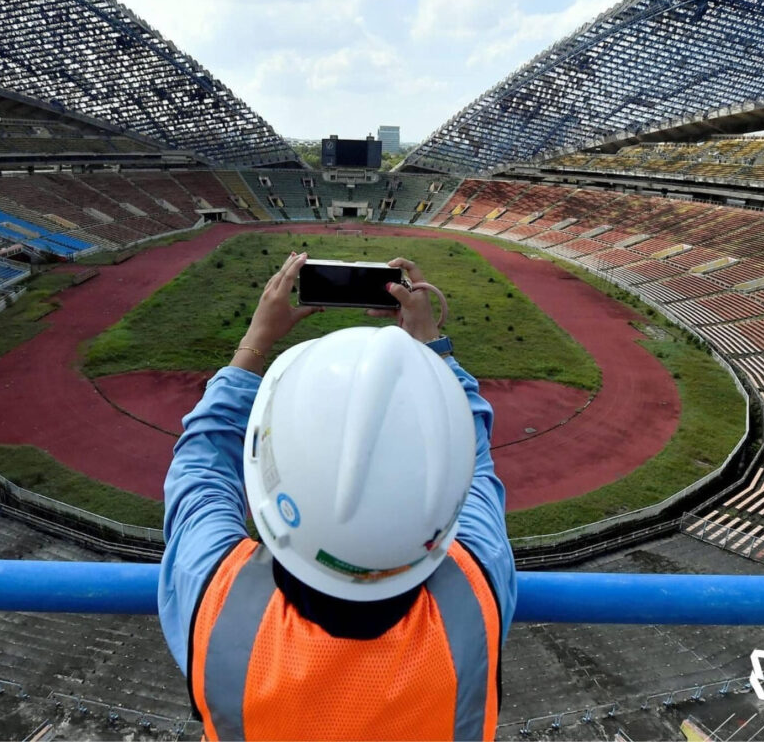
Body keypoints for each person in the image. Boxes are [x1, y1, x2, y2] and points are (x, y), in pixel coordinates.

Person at [158, 251, 517, 740]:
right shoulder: (476, 604)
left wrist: (255, 341)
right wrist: (433, 347)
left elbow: (200, 469)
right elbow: (472, 461)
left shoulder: (220, 609)